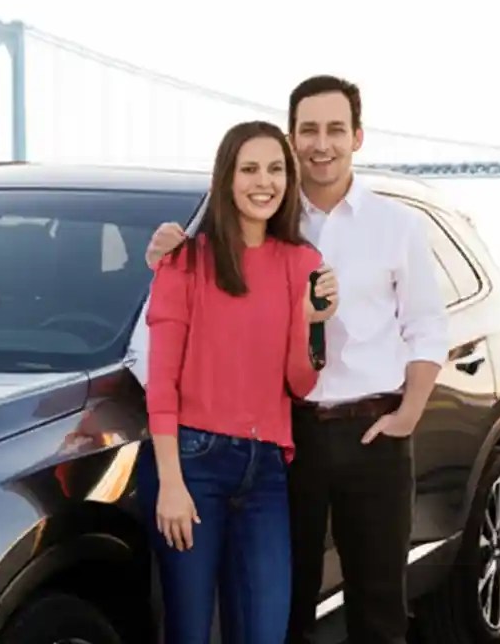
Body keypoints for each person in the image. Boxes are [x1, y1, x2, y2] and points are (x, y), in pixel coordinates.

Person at [141, 75, 448, 644]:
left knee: (379, 602)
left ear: (358, 136)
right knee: (288, 608)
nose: (321, 143)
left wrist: (408, 414)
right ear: (292, 138)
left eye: (336, 129)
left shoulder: (396, 226)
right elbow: (187, 320)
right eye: (308, 130)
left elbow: (428, 326)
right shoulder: (260, 221)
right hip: (292, 436)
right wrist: (166, 248)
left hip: (373, 431)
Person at [136, 119, 336, 644]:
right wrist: (171, 484)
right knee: (189, 632)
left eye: (275, 169)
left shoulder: (303, 262)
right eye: (249, 169)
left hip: (266, 468)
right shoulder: (185, 261)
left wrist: (314, 324)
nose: (263, 181)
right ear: (226, 178)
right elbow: (161, 383)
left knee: (265, 631)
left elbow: (301, 383)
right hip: (190, 465)